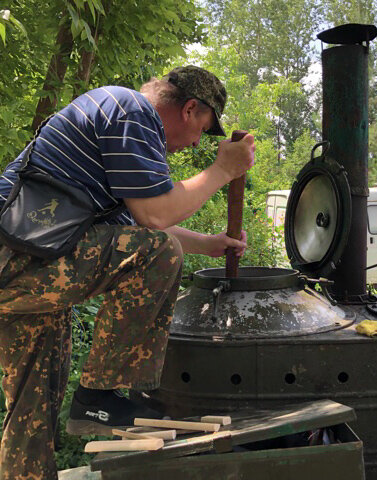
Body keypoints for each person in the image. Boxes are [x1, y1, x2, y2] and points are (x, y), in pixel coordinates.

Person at [0, 65, 255, 479]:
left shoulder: (110, 118)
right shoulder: (131, 109)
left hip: (26, 263)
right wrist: (222, 170)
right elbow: (155, 220)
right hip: (21, 259)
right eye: (200, 131)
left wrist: (207, 243)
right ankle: (99, 396)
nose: (193, 145)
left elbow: (137, 224)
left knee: (33, 407)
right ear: (190, 109)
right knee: (160, 252)